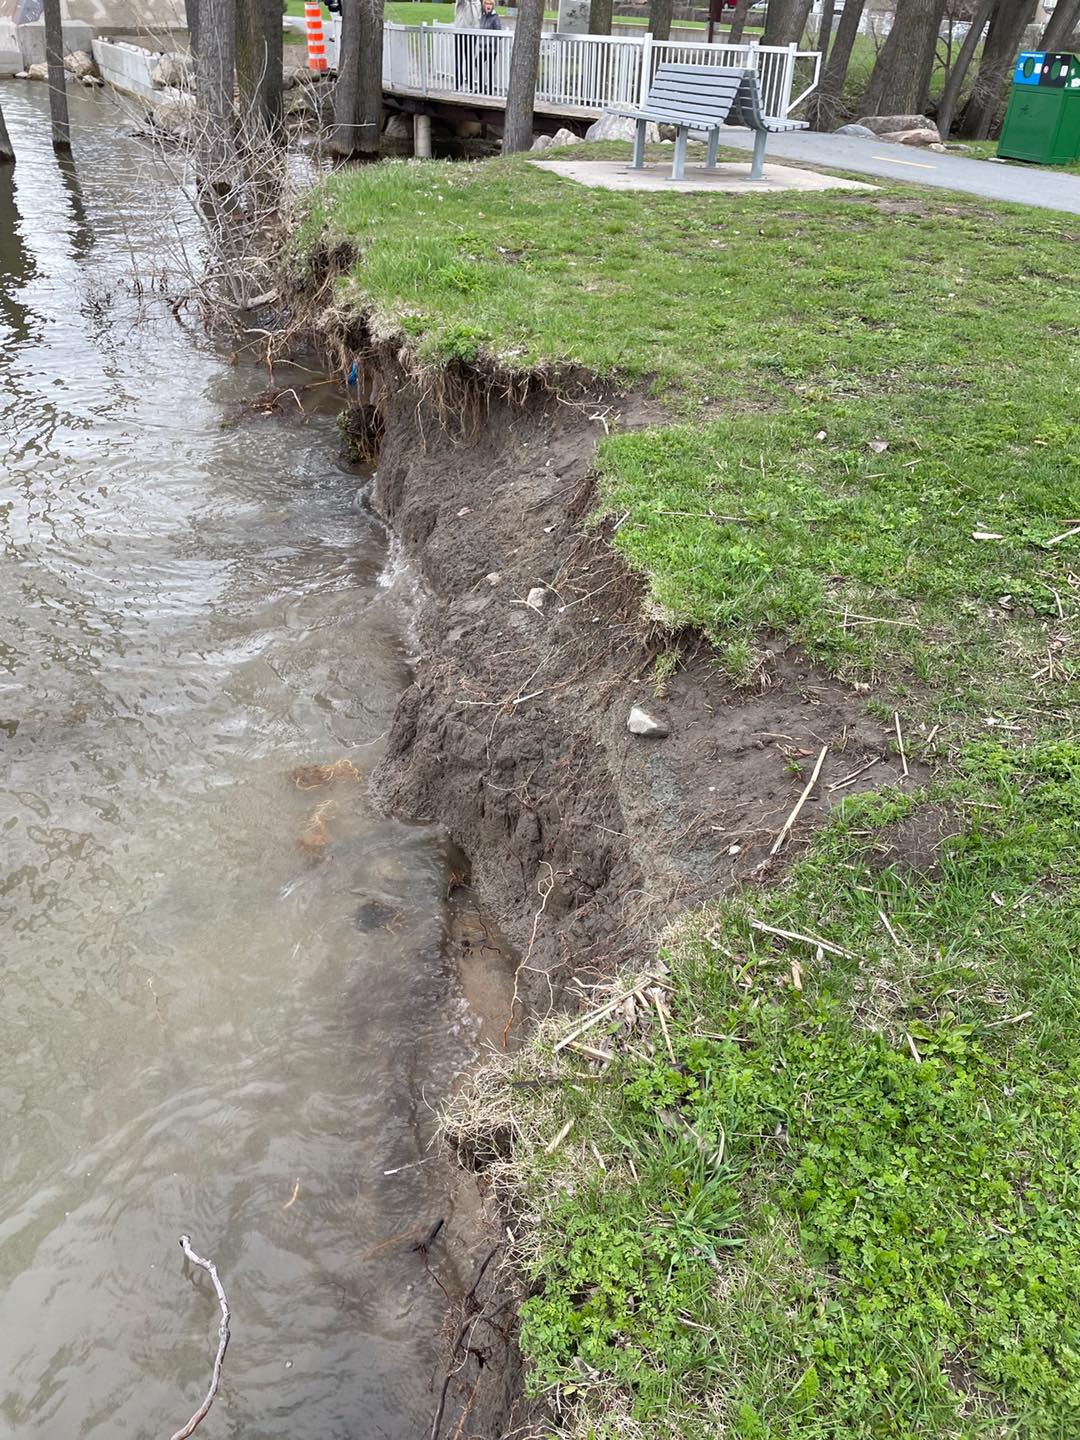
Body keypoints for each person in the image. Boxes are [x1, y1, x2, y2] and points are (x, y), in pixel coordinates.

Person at [454, 0, 482, 91]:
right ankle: (458, 82)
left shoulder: (476, 2)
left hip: (471, 32)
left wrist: (471, 3)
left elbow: (477, 16)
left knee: (469, 58)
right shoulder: (461, 2)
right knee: (459, 58)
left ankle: (470, 83)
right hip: (459, 31)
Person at [477, 0, 502, 93]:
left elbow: (499, 34)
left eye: (490, 4)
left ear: (493, 6)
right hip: (482, 49)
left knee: (490, 69)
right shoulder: (483, 17)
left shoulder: (495, 18)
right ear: (484, 5)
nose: (488, 6)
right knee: (477, 63)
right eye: (487, 4)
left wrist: (489, 42)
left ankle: (490, 89)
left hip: (491, 49)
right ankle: (481, 87)